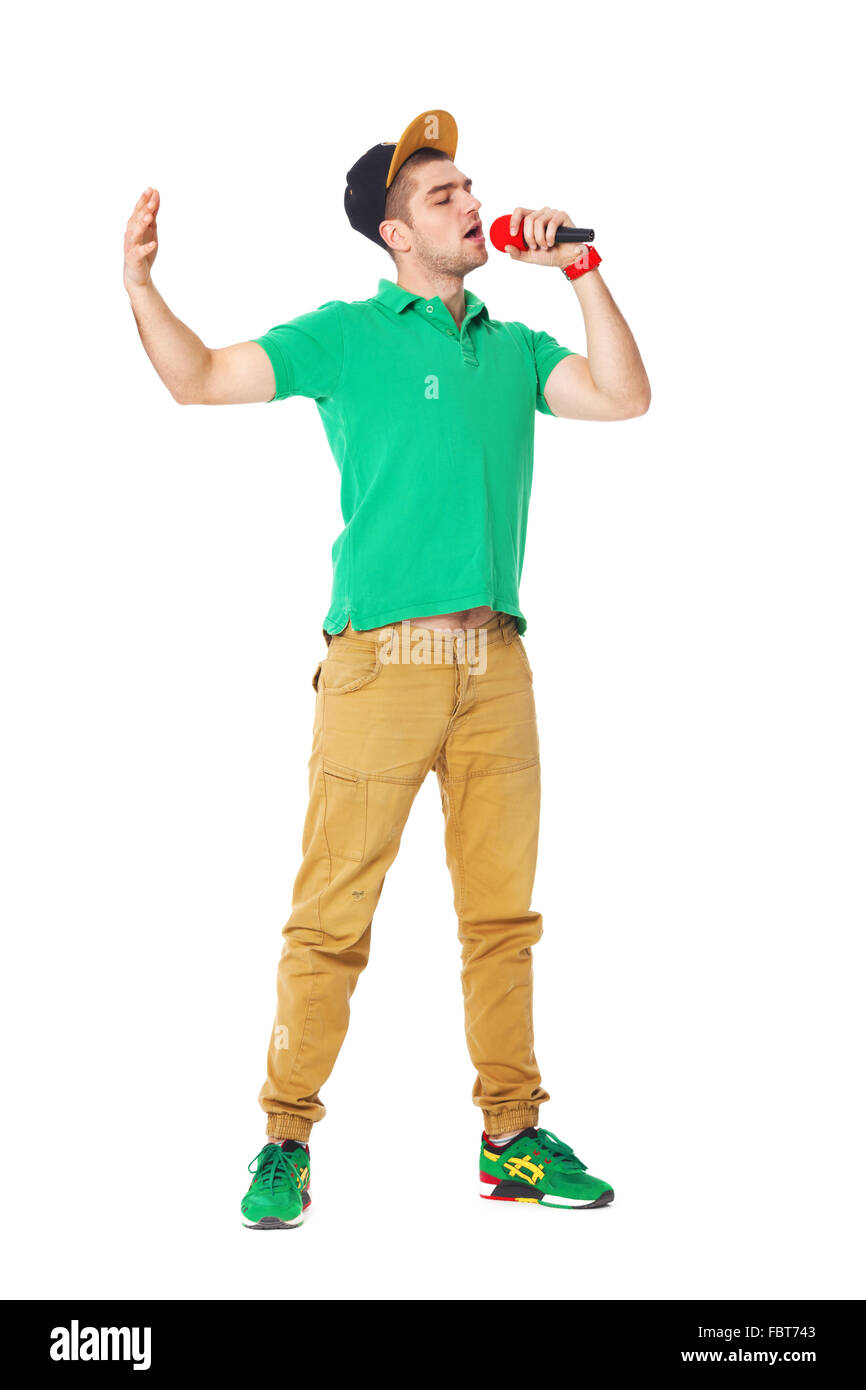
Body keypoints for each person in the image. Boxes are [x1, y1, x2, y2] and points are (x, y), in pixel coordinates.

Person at [123, 108, 650, 1229]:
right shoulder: (347, 335)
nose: (471, 204)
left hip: (495, 663)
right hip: (382, 662)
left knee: (501, 919)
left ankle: (510, 1137)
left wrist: (581, 272)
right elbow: (203, 378)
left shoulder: (511, 349)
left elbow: (622, 395)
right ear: (395, 233)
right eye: (443, 195)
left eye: (469, 187)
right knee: (331, 920)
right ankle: (283, 1137)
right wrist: (140, 292)